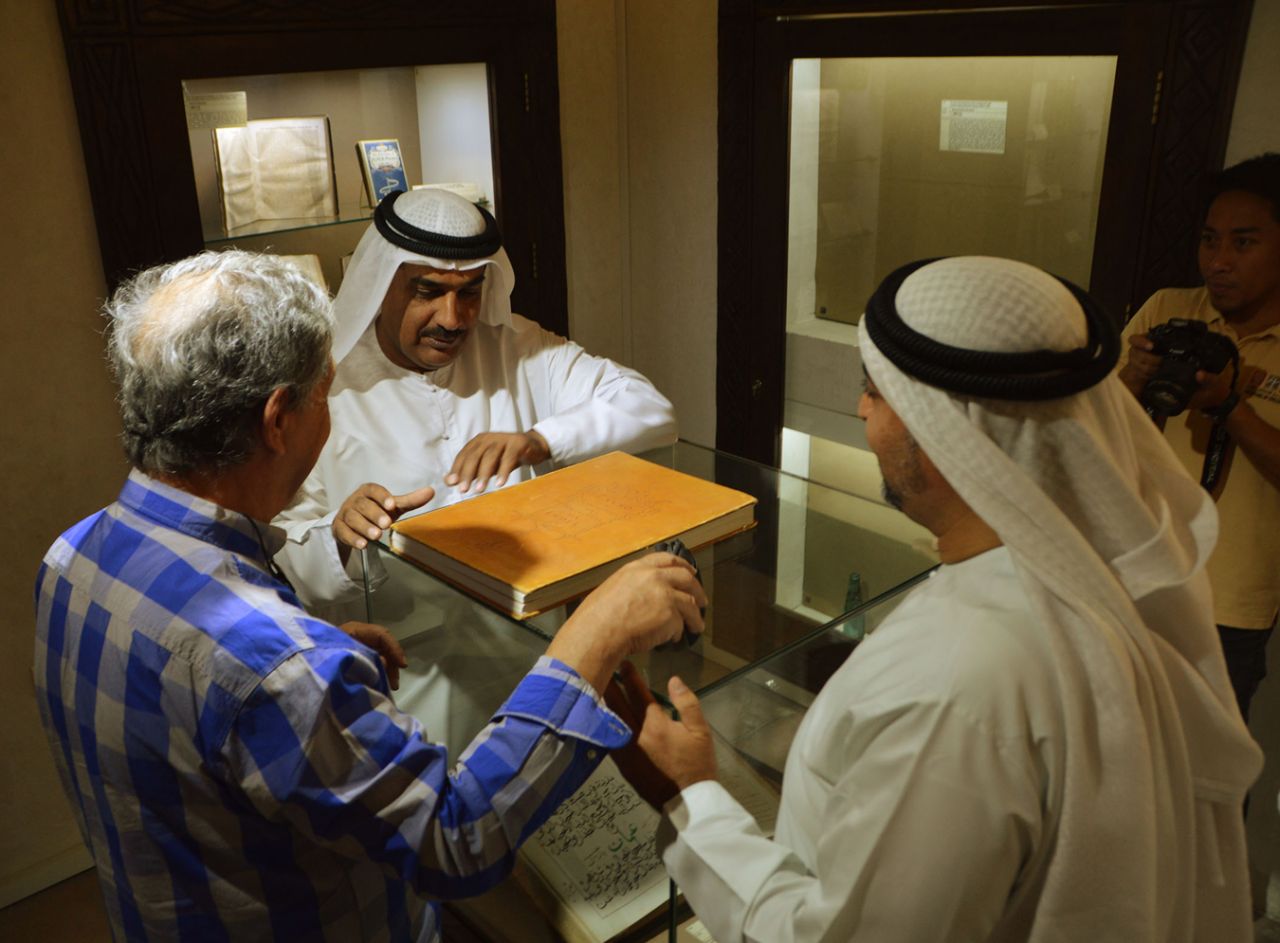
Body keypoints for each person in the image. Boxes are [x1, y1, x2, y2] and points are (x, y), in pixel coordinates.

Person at [32, 250, 706, 942]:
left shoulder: (72, 555)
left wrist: (323, 663)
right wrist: (590, 639)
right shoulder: (281, 669)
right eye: (324, 392)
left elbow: (188, 728)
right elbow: (458, 839)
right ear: (277, 419)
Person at [606, 257, 1262, 942]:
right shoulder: (1079, 565)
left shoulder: (956, 689)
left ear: (948, 427)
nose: (861, 408)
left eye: (876, 390)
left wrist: (692, 798)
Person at [275, 188, 677, 609]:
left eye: (469, 292)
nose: (452, 319)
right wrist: (340, 535)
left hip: (532, 632)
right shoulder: (319, 383)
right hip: (404, 653)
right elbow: (284, 553)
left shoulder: (518, 347)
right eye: (427, 291)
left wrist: (540, 440)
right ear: (381, 285)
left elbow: (650, 409)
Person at [1118, 153, 1280, 724]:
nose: (1219, 262)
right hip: (1135, 575)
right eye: (1210, 241)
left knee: (1204, 779)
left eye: (1243, 243)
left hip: (1228, 607)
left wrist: (1231, 407)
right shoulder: (1169, 310)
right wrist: (1131, 382)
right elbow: (1088, 430)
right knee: (1113, 753)